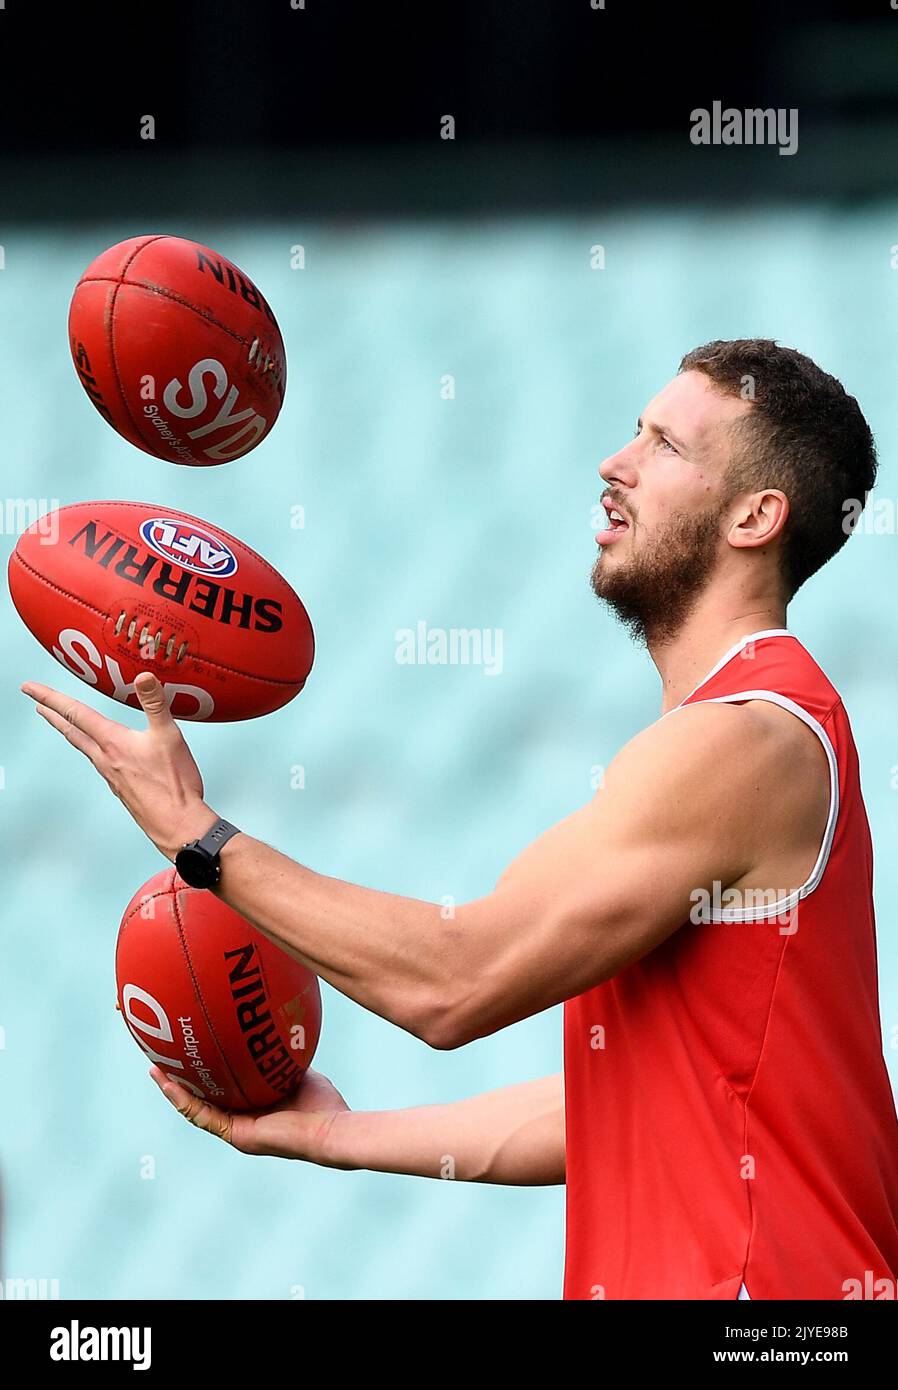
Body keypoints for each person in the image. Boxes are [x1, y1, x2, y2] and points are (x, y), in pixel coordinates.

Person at [23, 339, 898, 1300]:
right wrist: (330, 1137)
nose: (616, 462)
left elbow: (456, 980)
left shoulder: (744, 741)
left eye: (666, 447)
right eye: (632, 433)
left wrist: (197, 835)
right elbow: (603, 1111)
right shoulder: (741, 732)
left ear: (754, 517)